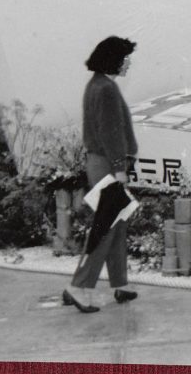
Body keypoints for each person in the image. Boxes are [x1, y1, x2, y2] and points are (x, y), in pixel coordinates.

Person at [63, 36, 139, 313]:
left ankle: (120, 284)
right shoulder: (106, 89)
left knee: (116, 224)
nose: (129, 62)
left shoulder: (98, 84)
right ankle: (78, 287)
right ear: (114, 59)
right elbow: (111, 133)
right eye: (125, 57)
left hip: (101, 163)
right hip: (107, 165)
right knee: (105, 230)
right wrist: (120, 168)